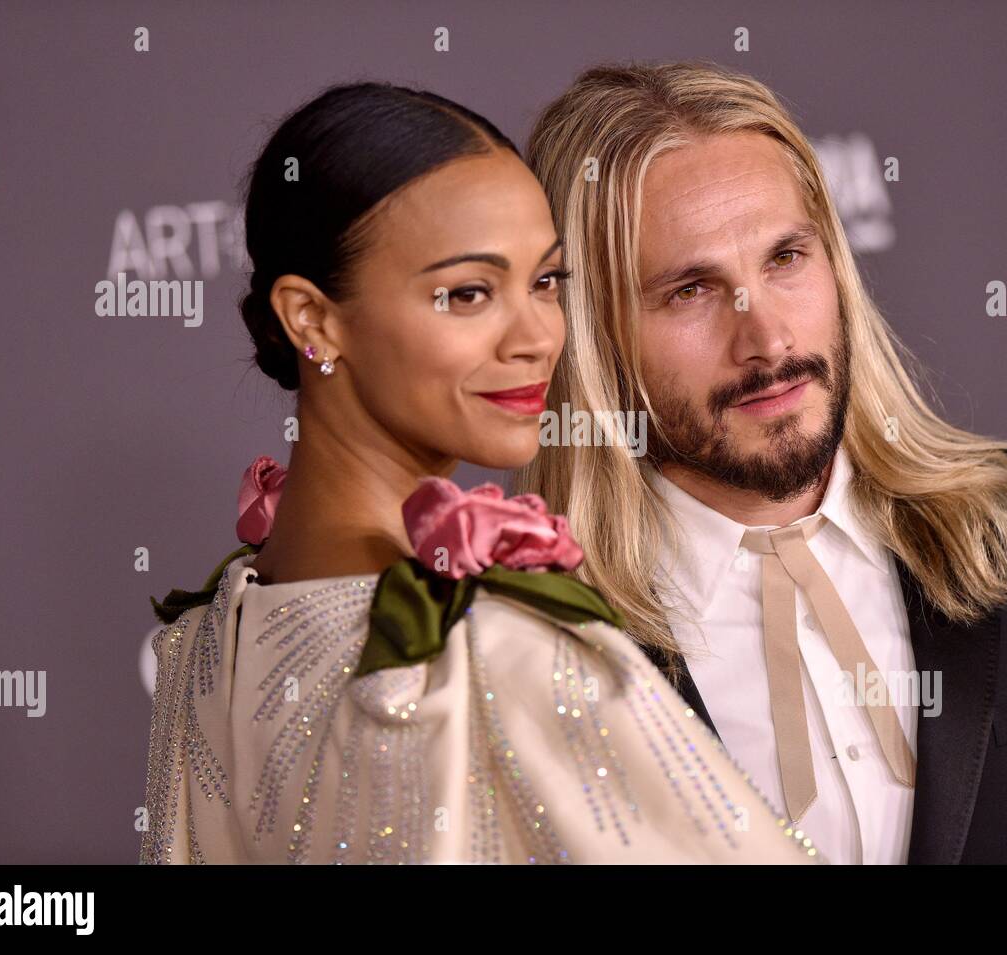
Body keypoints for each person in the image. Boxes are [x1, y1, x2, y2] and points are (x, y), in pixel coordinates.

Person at [517, 61, 1007, 864]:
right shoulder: (526, 650)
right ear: (591, 333)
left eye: (785, 258)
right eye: (690, 290)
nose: (769, 339)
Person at [139, 81, 823, 865]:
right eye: (467, 293)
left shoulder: (209, 639)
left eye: (545, 282)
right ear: (313, 320)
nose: (536, 336)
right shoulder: (500, 650)